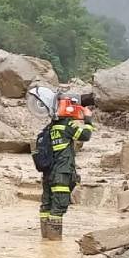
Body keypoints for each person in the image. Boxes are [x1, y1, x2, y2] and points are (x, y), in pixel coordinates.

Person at [37, 96, 96, 240]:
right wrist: (88, 119)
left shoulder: (50, 128)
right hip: (62, 173)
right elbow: (85, 135)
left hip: (48, 173)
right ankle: (54, 243)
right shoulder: (67, 125)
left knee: (46, 205)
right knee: (59, 206)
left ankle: (45, 239)